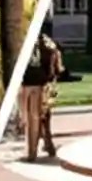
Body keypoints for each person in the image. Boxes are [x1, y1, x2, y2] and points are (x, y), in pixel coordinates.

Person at [19, 31, 50, 163]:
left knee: (31, 117)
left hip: (30, 83)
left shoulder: (42, 46)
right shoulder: (43, 45)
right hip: (36, 82)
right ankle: (32, 150)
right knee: (33, 117)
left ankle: (32, 151)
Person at [38, 20, 64, 158]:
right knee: (46, 115)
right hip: (49, 84)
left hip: (37, 84)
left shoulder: (37, 46)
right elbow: (59, 69)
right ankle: (47, 142)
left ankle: (46, 143)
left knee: (39, 116)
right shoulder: (52, 46)